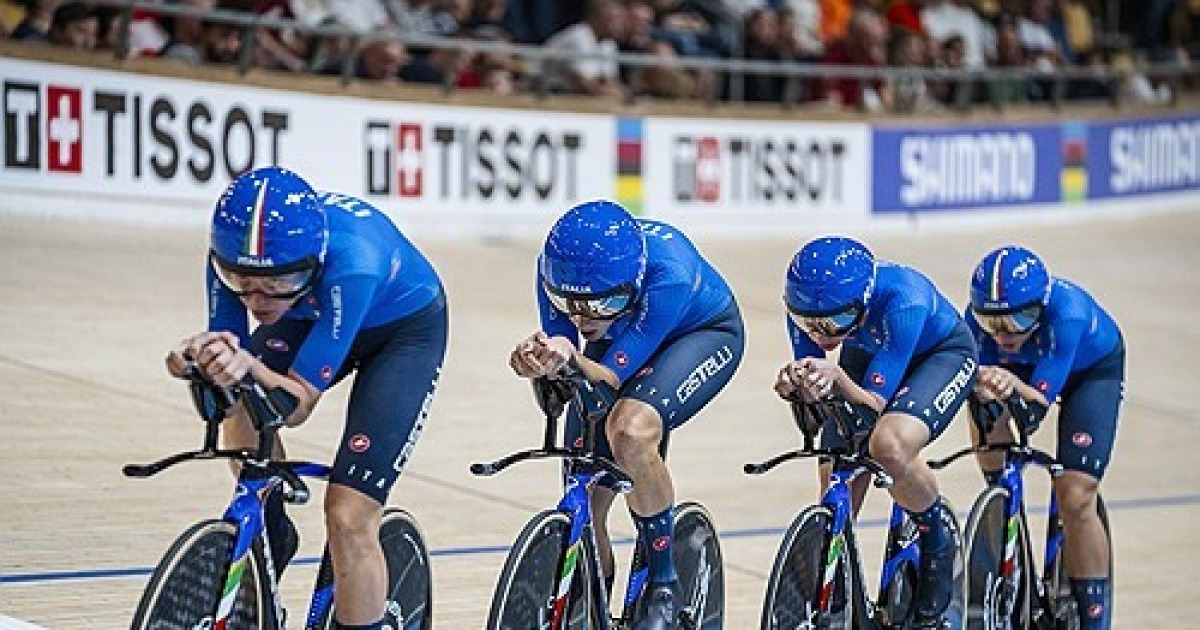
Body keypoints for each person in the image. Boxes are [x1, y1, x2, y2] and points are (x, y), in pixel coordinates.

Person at [165, 166, 448, 630]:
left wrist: (251, 365)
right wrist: (197, 361)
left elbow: (296, 404)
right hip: (310, 308)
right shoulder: (237, 260)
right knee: (237, 390)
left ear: (312, 262)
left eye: (274, 284)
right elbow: (229, 359)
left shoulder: (352, 261)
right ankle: (270, 524)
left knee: (348, 515)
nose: (255, 300)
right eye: (240, 282)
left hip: (400, 334)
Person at [509, 200, 744, 630]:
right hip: (620, 329)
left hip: (695, 335)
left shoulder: (668, 275)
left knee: (630, 431)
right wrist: (538, 362)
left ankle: (664, 581)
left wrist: (572, 356)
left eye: (599, 304)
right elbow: (566, 357)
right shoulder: (558, 274)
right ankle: (592, 601)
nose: (581, 317)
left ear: (633, 283)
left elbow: (610, 378)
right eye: (569, 303)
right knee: (587, 485)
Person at [774, 236, 977, 626]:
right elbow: (819, 390)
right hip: (869, 349)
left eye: (832, 323)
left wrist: (837, 380)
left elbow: (873, 407)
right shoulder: (812, 308)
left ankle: (937, 539)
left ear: (863, 302)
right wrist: (799, 385)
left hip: (937, 357)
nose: (818, 334)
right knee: (837, 474)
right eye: (806, 324)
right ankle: (841, 588)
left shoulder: (906, 299)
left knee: (888, 444)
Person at [966, 246, 1122, 630]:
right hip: (1021, 372)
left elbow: (1035, 409)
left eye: (1018, 319)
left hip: (1088, 373)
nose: (1003, 334)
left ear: (1040, 306)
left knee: (1075, 496)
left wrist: (1010, 384)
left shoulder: (1066, 314)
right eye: (990, 321)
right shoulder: (975, 326)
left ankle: (1094, 620)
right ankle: (1003, 504)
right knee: (984, 401)